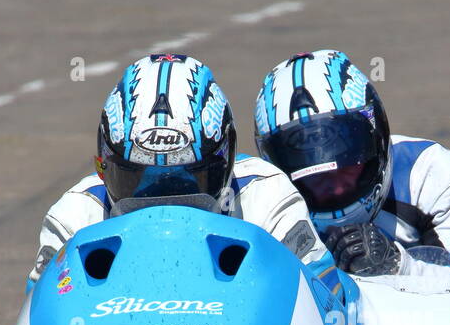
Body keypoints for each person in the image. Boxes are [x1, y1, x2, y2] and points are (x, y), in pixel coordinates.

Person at [29, 53, 350, 305]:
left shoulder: (265, 195)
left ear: (226, 161)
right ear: (104, 166)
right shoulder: (74, 215)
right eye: (139, 179)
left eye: (186, 181)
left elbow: (327, 299)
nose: (163, 200)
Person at [252, 49, 450, 279]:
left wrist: (396, 265)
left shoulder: (435, 175)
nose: (336, 190)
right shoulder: (257, 203)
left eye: (347, 169)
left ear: (377, 138)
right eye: (315, 180)